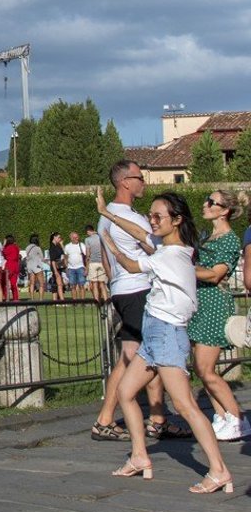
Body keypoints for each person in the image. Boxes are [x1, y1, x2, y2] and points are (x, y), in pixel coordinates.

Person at [96, 188, 232, 494]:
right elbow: (139, 233)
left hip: (167, 334)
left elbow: (131, 265)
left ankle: (219, 470)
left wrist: (109, 243)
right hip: (154, 334)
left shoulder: (170, 256)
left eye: (158, 217)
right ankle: (139, 456)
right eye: (151, 216)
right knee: (126, 392)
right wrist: (107, 214)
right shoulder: (171, 248)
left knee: (185, 405)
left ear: (177, 220)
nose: (152, 221)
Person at [90, 160, 170, 443]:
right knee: (137, 355)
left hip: (123, 289)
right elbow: (158, 248)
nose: (143, 181)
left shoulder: (106, 217)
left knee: (144, 353)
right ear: (125, 182)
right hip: (137, 289)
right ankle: (106, 420)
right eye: (139, 177)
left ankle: (157, 419)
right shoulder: (126, 217)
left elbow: (107, 261)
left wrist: (115, 285)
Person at [189, 189, 250, 442]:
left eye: (211, 202)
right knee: (200, 368)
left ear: (224, 210)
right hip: (200, 302)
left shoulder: (229, 240)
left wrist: (183, 266)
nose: (205, 204)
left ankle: (237, 418)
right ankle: (223, 416)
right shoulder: (208, 236)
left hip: (213, 304)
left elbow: (215, 274)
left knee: (206, 368)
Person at [83, 224, 108, 304]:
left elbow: (88, 254)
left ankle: (97, 301)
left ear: (88, 231)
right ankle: (106, 301)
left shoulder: (87, 240)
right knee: (102, 284)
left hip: (93, 263)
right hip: (102, 262)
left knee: (94, 284)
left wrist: (86, 267)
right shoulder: (100, 237)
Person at [63, 231, 87, 301]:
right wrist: (66, 268)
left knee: (81, 285)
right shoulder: (67, 246)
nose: (77, 238)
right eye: (75, 237)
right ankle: (74, 302)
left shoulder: (82, 245)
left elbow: (86, 257)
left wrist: (86, 268)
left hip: (81, 267)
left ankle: (82, 301)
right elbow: (65, 258)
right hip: (71, 268)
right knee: (72, 286)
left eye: (77, 237)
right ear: (71, 238)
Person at [47, 233, 67, 303]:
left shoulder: (58, 246)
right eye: (59, 237)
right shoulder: (52, 247)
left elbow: (65, 253)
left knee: (56, 284)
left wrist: (62, 244)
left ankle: (55, 301)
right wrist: (55, 271)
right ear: (54, 237)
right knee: (59, 284)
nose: (60, 239)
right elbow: (52, 260)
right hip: (55, 268)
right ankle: (62, 301)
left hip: (59, 267)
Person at [1, 234, 21, 302]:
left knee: (4, 282)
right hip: (16, 265)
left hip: (9, 265)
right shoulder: (16, 247)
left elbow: (3, 253)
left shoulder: (8, 248)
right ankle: (15, 298)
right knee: (13, 283)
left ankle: (6, 296)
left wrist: (4, 245)